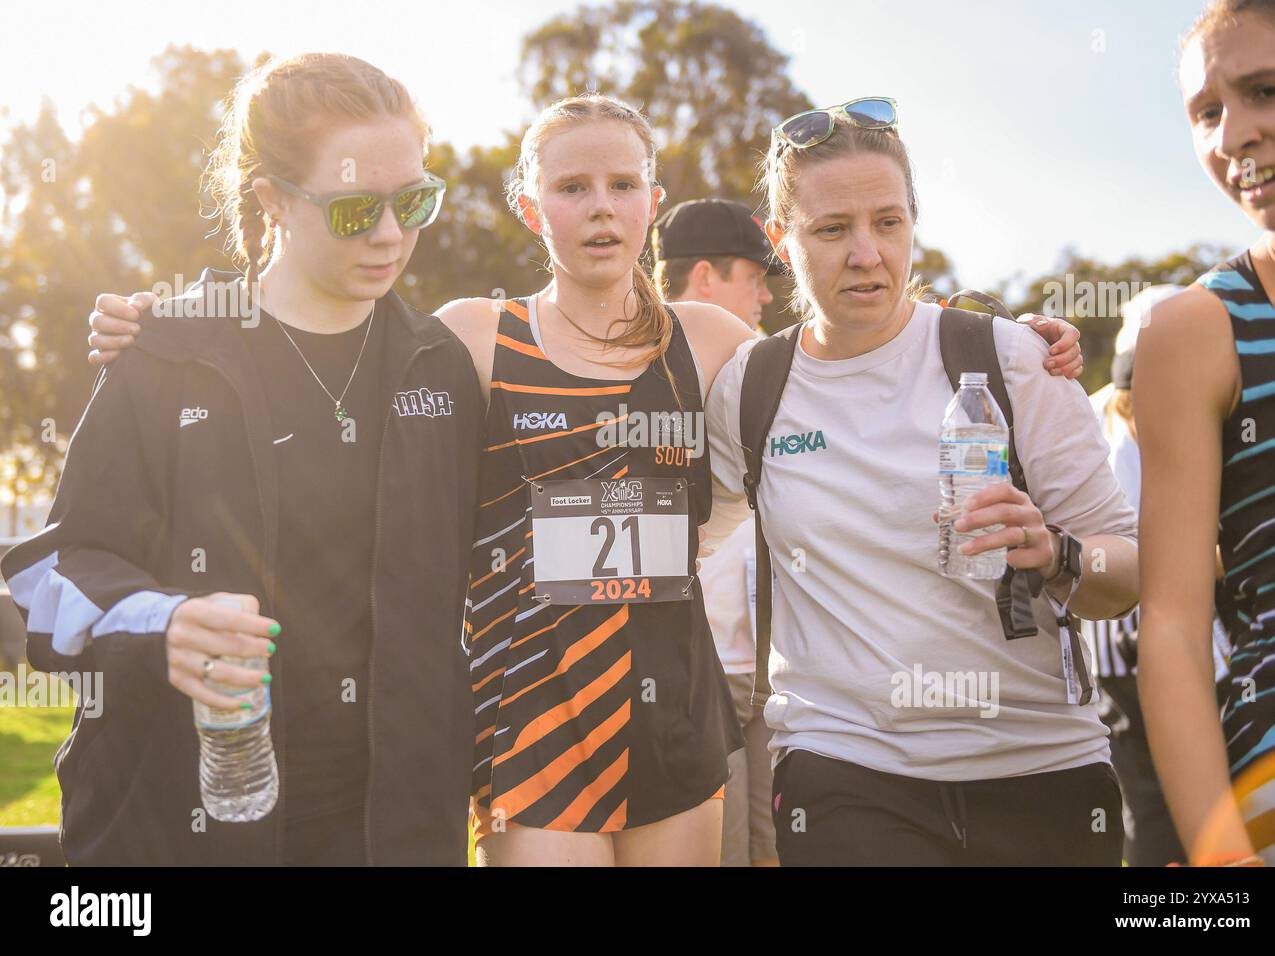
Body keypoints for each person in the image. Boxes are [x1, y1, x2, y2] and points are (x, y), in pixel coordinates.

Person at [85, 92, 1083, 867]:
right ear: (530, 205)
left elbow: (849, 358)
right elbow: (324, 345)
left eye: (621, 184)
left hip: (676, 715)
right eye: (571, 187)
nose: (598, 207)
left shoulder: (711, 339)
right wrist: (174, 321)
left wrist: (999, 333)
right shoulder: (475, 337)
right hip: (532, 713)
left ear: (654, 200)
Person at [2, 53, 482, 865]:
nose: (391, 234)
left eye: (415, 201)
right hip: (179, 825)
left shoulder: (442, 365)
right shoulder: (164, 354)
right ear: (274, 201)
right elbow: (49, 575)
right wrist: (163, 624)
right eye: (356, 208)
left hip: (392, 834)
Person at [706, 96, 1139, 866]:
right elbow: (686, 534)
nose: (866, 253)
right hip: (843, 766)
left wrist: (1057, 552)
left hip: (1040, 763)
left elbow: (1128, 572)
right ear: (781, 239)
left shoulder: (1010, 360)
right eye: (831, 229)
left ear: (914, 221)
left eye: (888, 223)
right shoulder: (751, 386)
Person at [1135, 0, 1275, 867]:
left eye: (1267, 90)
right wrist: (1222, 867)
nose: (1231, 134)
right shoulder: (1196, 331)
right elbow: (1169, 627)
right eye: (1206, 112)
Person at [652, 198, 778, 867]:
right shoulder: (643, 371)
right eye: (753, 278)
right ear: (705, 278)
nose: (764, 296)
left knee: (780, 848)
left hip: (777, 668)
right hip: (700, 676)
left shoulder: (761, 370)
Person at [1082, 285, 1195, 866]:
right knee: (1160, 810)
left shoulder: (1095, 409)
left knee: (1151, 808)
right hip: (1141, 644)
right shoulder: (1140, 416)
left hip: (1117, 649)